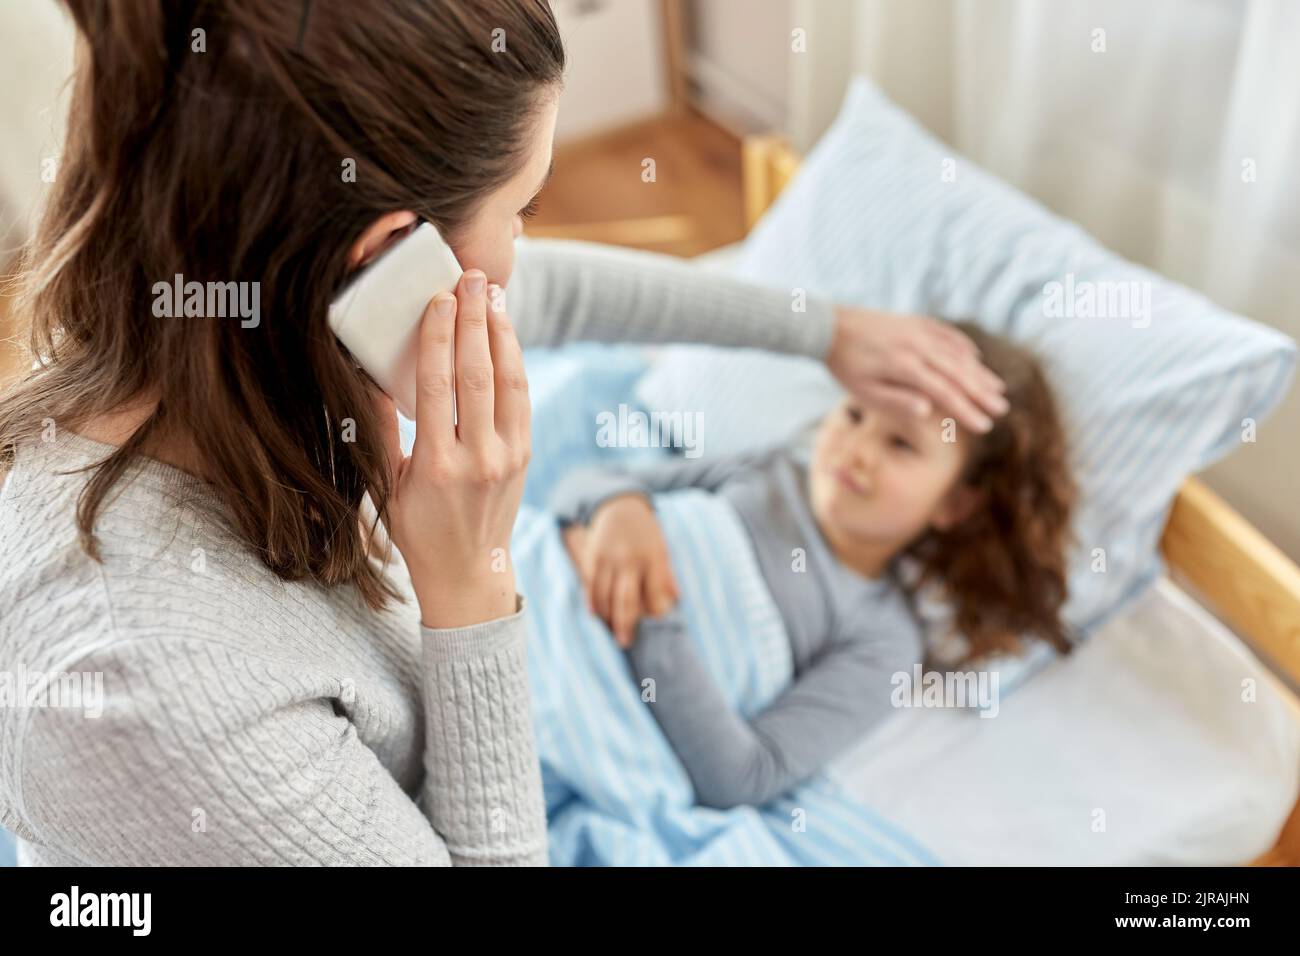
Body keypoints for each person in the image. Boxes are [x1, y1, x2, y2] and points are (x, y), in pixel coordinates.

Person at [0, 0, 1006, 865]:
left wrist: (820, 330)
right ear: (387, 261)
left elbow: (531, 295)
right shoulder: (151, 692)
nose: (526, 252)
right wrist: (474, 584)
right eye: (522, 210)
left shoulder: (192, 328)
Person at [553, 323, 1071, 808]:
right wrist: (620, 509)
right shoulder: (768, 469)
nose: (858, 450)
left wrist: (648, 609)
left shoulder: (884, 640)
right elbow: (577, 486)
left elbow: (745, 776)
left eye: (901, 444)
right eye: (854, 414)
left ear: (955, 504)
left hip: (579, 705)